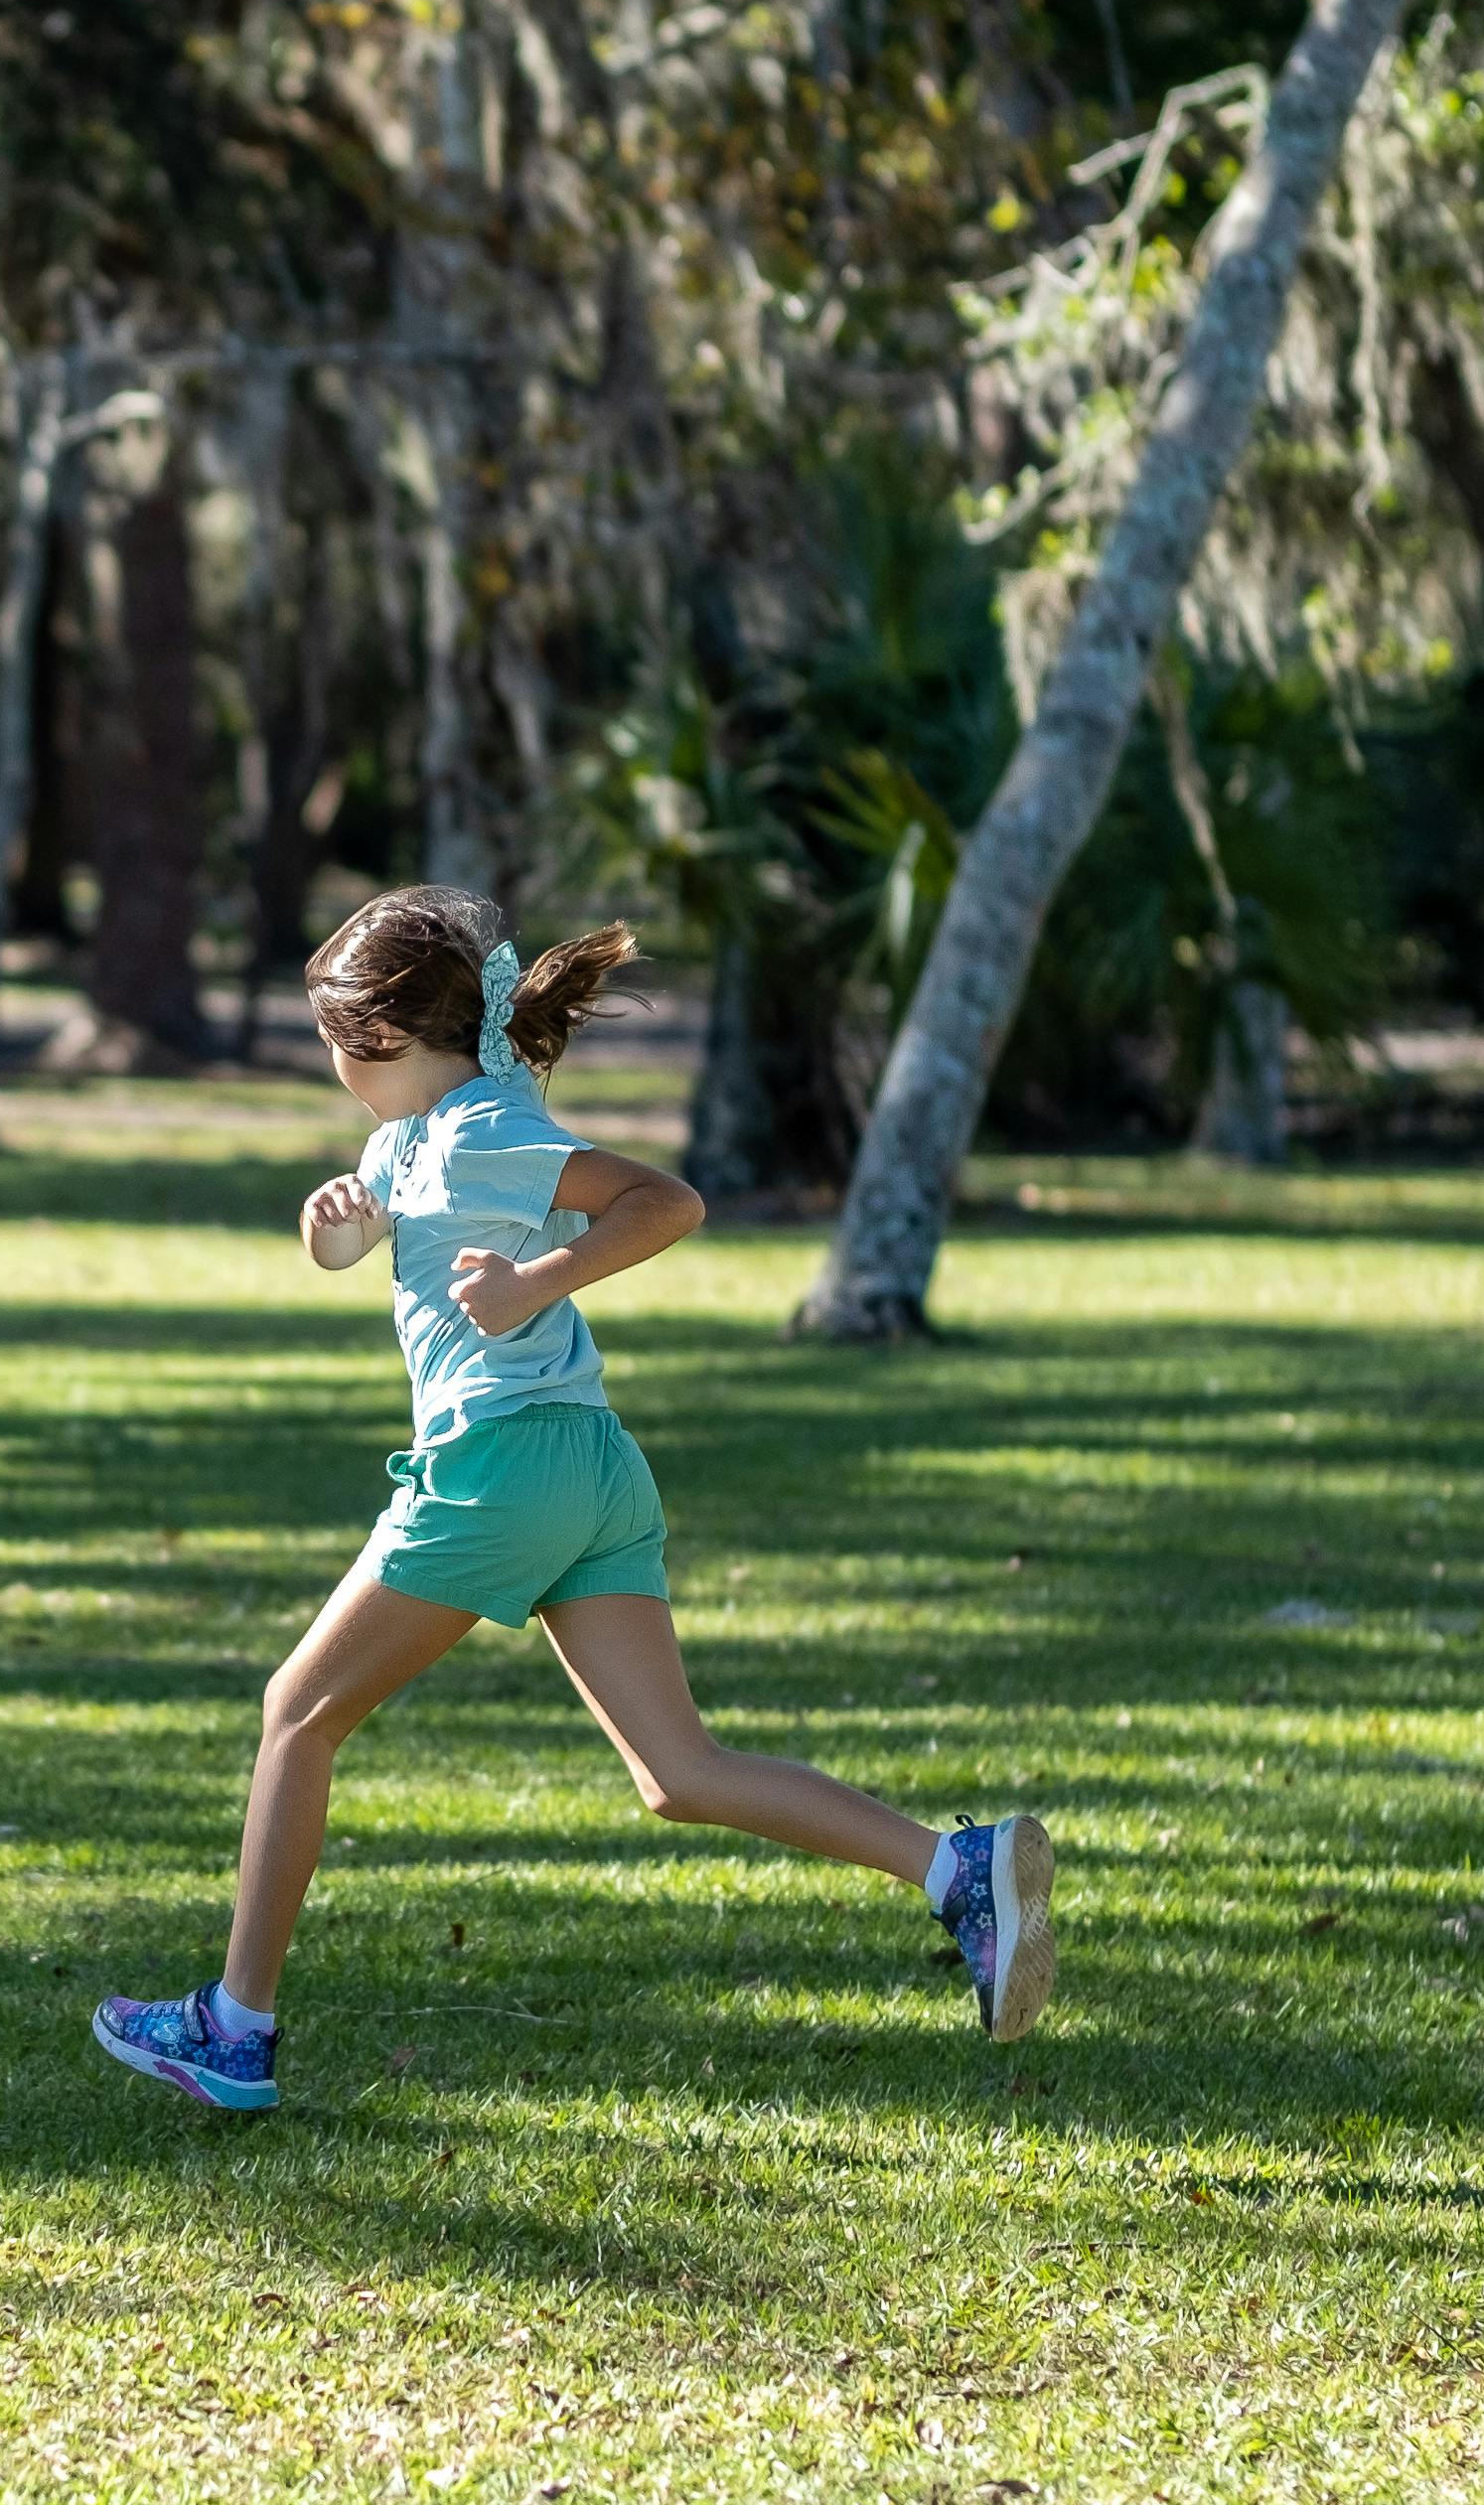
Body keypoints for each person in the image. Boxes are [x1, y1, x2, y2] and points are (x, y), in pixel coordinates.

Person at [88, 887, 1055, 2114]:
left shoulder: (485, 1126)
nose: (331, 1065)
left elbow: (665, 1199)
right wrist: (332, 1227)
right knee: (678, 1771)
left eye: (334, 1040)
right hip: (591, 1468)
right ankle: (954, 1868)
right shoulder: (415, 1136)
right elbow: (371, 1229)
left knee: (296, 1713)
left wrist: (541, 1276)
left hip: (504, 1465)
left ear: (381, 1038)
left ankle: (235, 2029)